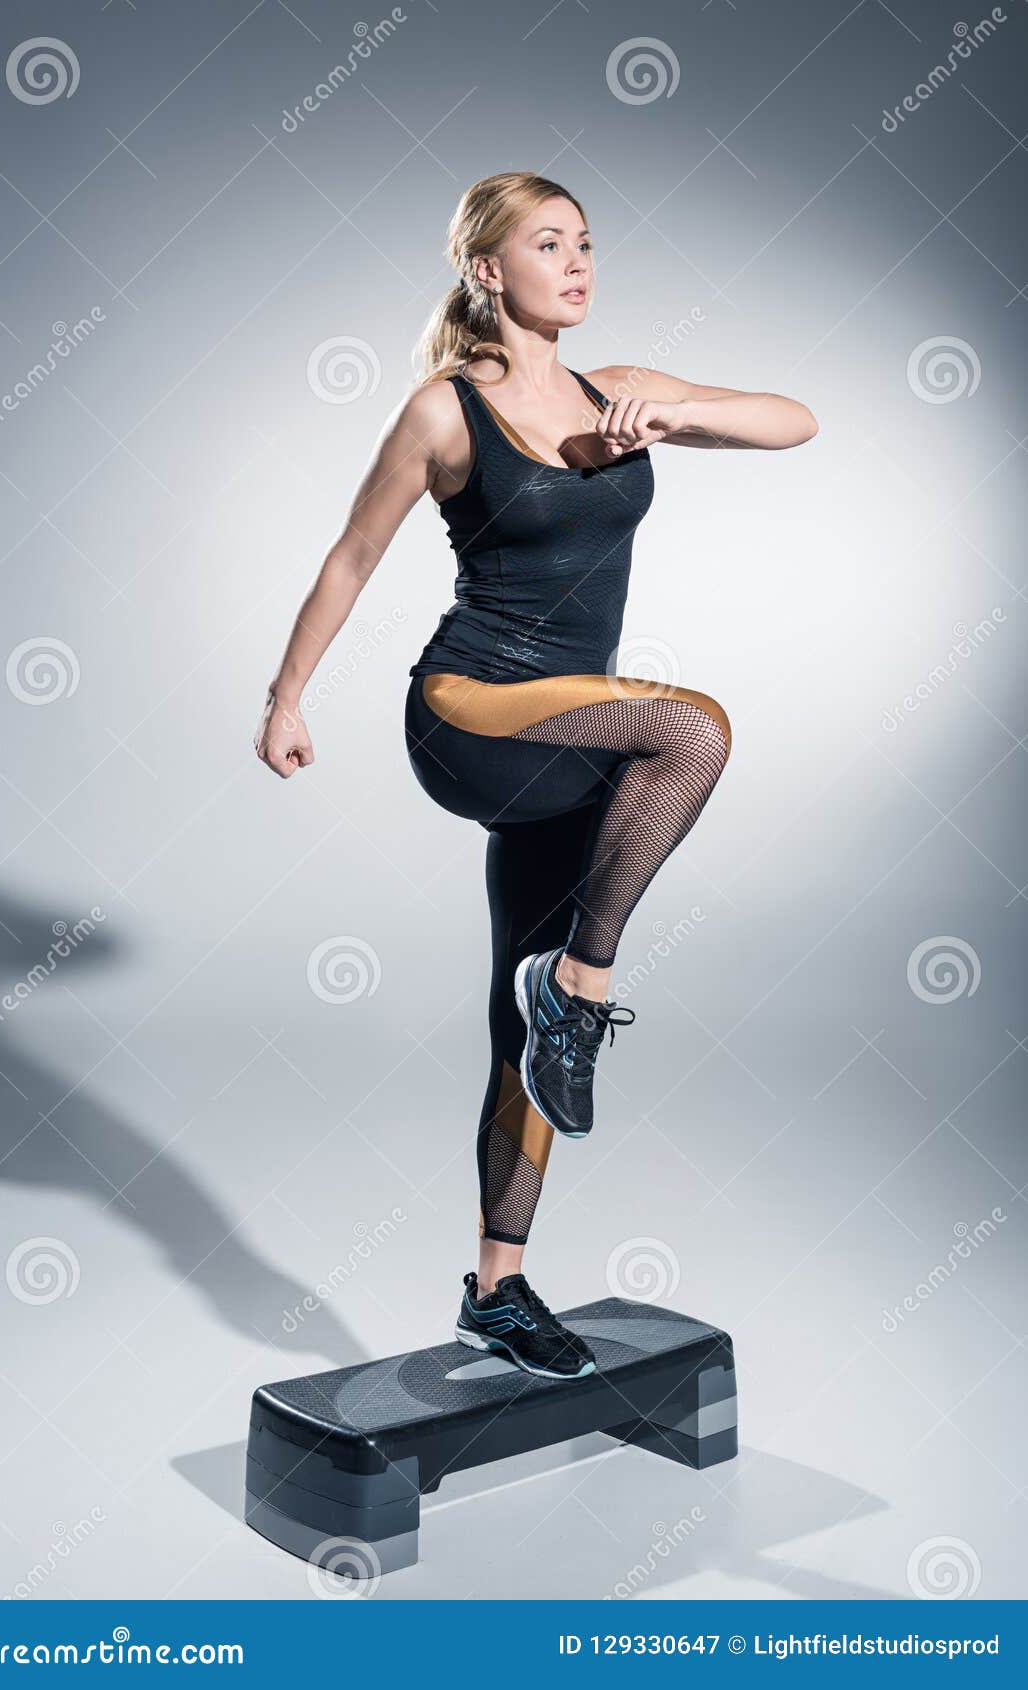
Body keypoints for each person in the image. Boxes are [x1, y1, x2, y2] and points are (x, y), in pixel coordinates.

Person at [255, 171, 817, 1381]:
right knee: (695, 728)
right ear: (486, 271)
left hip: (570, 741)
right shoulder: (447, 412)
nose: (578, 264)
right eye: (548, 244)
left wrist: (665, 422)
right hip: (468, 714)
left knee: (519, 1039)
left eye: (588, 244)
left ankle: (497, 1288)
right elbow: (353, 556)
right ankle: (582, 983)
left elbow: (796, 419)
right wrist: (286, 697)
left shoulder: (629, 389)